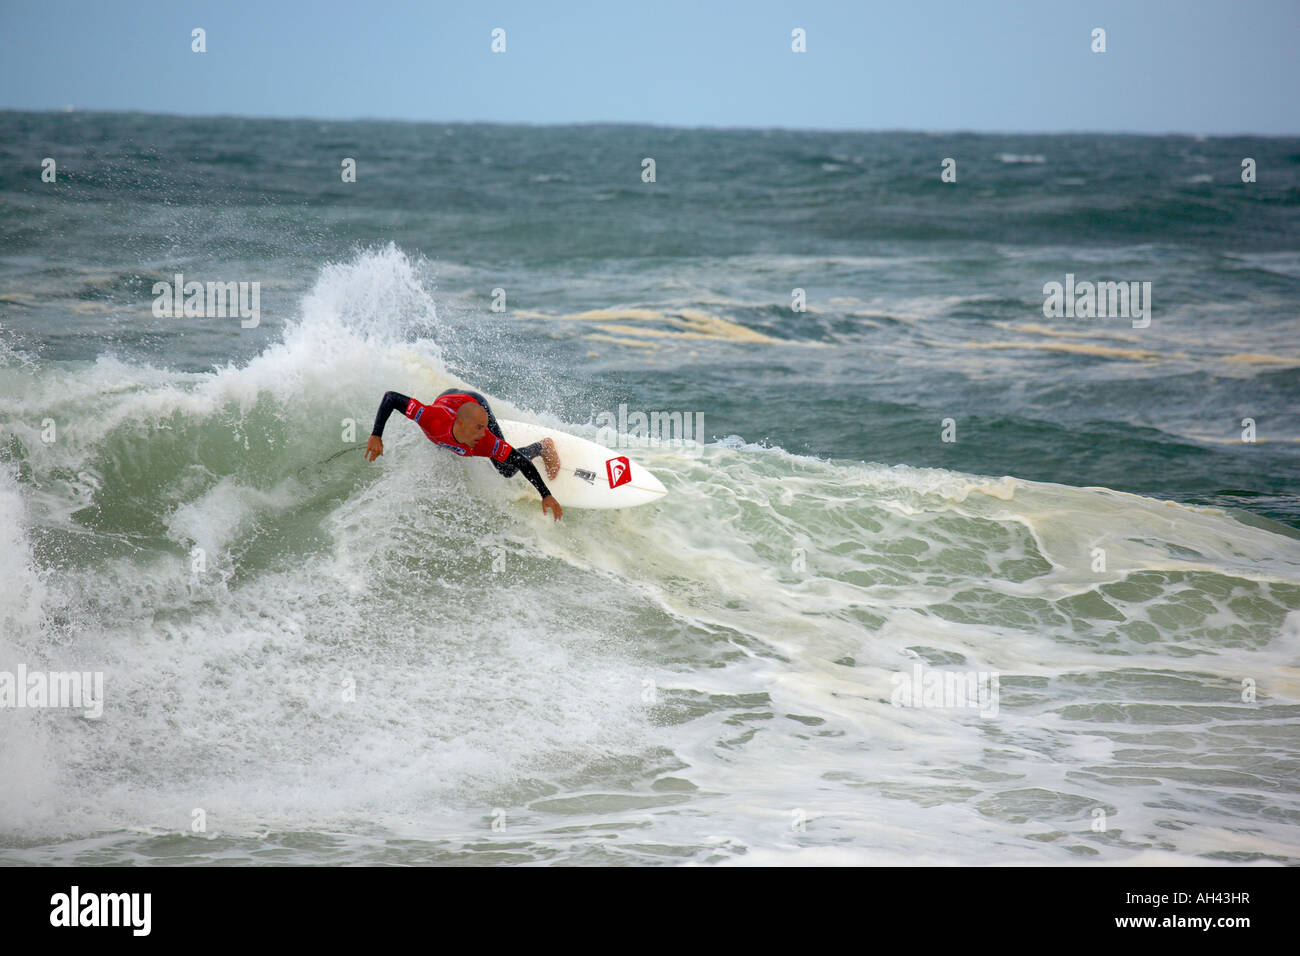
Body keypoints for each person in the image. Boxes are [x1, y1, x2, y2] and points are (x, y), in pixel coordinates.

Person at [365, 387, 563, 521]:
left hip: (476, 404)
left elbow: (522, 462)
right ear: (460, 424)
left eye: (483, 429)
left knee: (505, 469)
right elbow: (391, 398)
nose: (482, 434)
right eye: (478, 429)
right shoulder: (430, 418)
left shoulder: (486, 442)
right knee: (441, 446)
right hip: (446, 400)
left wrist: (546, 495)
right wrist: (376, 435)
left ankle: (543, 446)